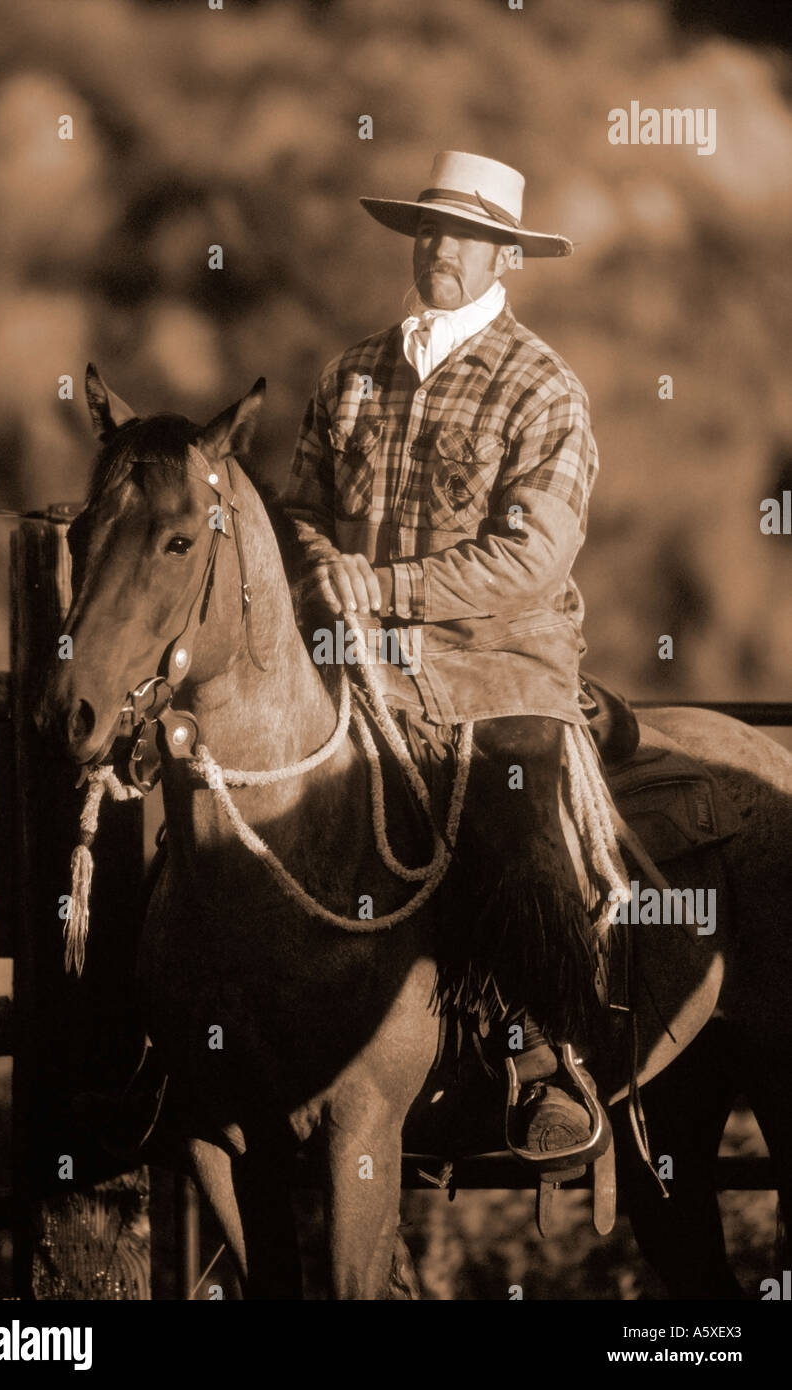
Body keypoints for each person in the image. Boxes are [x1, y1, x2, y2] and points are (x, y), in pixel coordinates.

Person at [283, 151, 605, 1159]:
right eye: (425, 229)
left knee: (508, 819)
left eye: (462, 235)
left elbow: (529, 557)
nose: (438, 248)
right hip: (353, 651)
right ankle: (200, 1033)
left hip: (500, 659)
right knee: (228, 778)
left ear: (504, 254)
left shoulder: (543, 388)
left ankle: (542, 1060)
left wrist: (381, 587)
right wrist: (321, 565)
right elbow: (294, 510)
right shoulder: (350, 373)